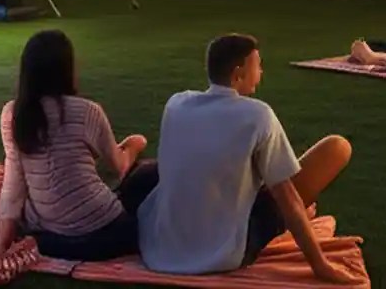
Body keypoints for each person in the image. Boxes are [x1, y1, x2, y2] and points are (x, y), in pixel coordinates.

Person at [137, 34, 358, 283]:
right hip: (223, 254)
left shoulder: (176, 104)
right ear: (239, 72)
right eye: (258, 65)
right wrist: (320, 265)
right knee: (337, 149)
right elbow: (289, 200)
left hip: (160, 246)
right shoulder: (257, 115)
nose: (262, 72)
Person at [0, 30, 151, 261]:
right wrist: (134, 145)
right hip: (104, 234)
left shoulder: (13, 114)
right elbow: (121, 167)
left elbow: (13, 182)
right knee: (150, 174)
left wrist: (3, 242)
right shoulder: (87, 111)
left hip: (49, 238)